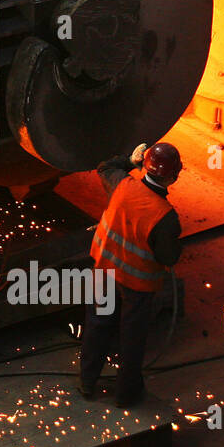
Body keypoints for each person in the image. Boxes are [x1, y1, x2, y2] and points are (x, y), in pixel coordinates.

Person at [78, 141, 183, 407]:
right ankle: (125, 396)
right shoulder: (166, 217)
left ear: (144, 165)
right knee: (132, 339)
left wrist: (130, 160)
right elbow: (168, 258)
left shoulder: (121, 185)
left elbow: (105, 167)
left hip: (103, 270)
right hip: (136, 285)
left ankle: (87, 382)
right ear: (174, 176)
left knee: (97, 327)